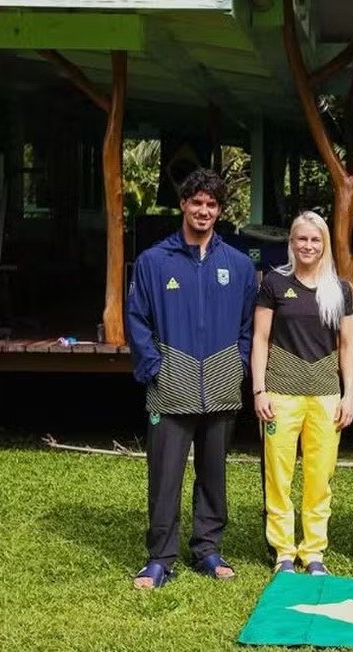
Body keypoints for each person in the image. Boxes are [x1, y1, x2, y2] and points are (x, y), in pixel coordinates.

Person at [126, 168, 257, 589]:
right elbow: (137, 321)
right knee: (165, 475)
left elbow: (248, 326)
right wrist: (155, 369)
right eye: (196, 202)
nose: (203, 210)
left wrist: (236, 364)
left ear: (220, 211)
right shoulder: (152, 261)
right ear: (183, 204)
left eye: (212, 204)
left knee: (213, 472)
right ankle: (161, 556)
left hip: (220, 386)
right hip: (170, 387)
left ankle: (207, 548)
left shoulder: (237, 264)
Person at [251, 211, 353, 577]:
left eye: (315, 240)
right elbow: (260, 339)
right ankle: (283, 551)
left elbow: (346, 346)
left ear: (324, 244)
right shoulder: (274, 285)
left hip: (326, 397)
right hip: (280, 393)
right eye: (301, 239)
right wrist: (259, 390)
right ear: (291, 243)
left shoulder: (340, 289)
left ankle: (313, 552)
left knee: (319, 477)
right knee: (278, 476)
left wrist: (349, 395)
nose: (308, 246)